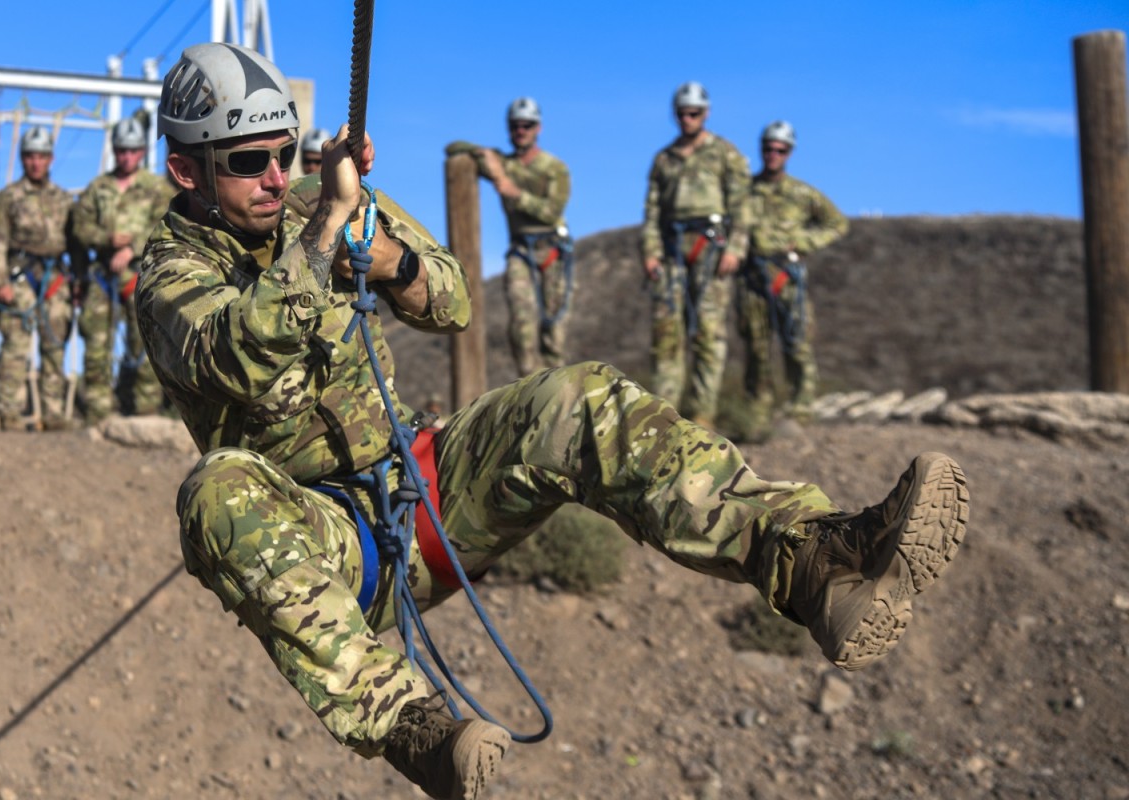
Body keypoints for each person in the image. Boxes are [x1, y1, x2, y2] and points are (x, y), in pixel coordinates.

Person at [137, 44, 969, 800]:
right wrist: (323, 233)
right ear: (184, 170)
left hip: (417, 495)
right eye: (250, 162)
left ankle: (814, 562)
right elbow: (234, 354)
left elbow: (454, 302)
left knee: (572, 399)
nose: (278, 177)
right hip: (327, 545)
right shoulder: (171, 274)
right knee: (215, 490)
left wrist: (387, 259)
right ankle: (414, 728)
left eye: (286, 153)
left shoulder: (325, 205)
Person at [641, 81, 750, 430]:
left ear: (706, 113)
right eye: (683, 113)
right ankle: (666, 420)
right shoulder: (663, 158)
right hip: (671, 250)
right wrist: (650, 252)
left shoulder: (725, 153)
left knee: (708, 333)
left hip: (711, 249)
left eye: (695, 113)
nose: (688, 118)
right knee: (667, 333)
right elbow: (652, 210)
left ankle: (702, 417)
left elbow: (742, 206)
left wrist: (736, 247)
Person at [736, 121, 848, 438]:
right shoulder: (744, 191)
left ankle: (800, 409)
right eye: (769, 148)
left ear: (789, 152)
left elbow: (837, 223)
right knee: (756, 347)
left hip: (787, 276)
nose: (773, 154)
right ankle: (756, 413)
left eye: (780, 149)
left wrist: (802, 242)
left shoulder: (802, 193)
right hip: (752, 277)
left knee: (796, 343)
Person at [447, 98, 574, 376]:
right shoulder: (503, 163)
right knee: (521, 324)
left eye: (527, 125)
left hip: (552, 249)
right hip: (520, 251)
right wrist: (482, 153)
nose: (521, 131)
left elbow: (552, 212)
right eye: (515, 126)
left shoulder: (555, 168)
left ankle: (556, 391)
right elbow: (453, 148)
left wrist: (512, 190)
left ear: (538, 128)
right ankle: (531, 386)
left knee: (554, 328)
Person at [70, 117, 172, 422]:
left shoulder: (156, 189)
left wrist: (133, 246)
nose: (126, 156)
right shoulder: (98, 188)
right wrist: (106, 239)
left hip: (142, 276)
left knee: (143, 346)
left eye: (132, 151)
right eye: (121, 150)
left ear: (141, 152)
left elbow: (167, 227)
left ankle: (144, 409)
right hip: (102, 277)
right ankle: (99, 412)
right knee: (96, 344)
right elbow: (80, 226)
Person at [0, 125, 73, 431]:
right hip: (18, 277)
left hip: (54, 279)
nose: (36, 162)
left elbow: (75, 244)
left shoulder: (63, 199)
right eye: (30, 156)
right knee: (15, 346)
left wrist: (77, 283)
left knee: (54, 345)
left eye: (42, 156)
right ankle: (8, 413)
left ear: (50, 159)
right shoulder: (7, 198)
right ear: (23, 159)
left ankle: (53, 414)